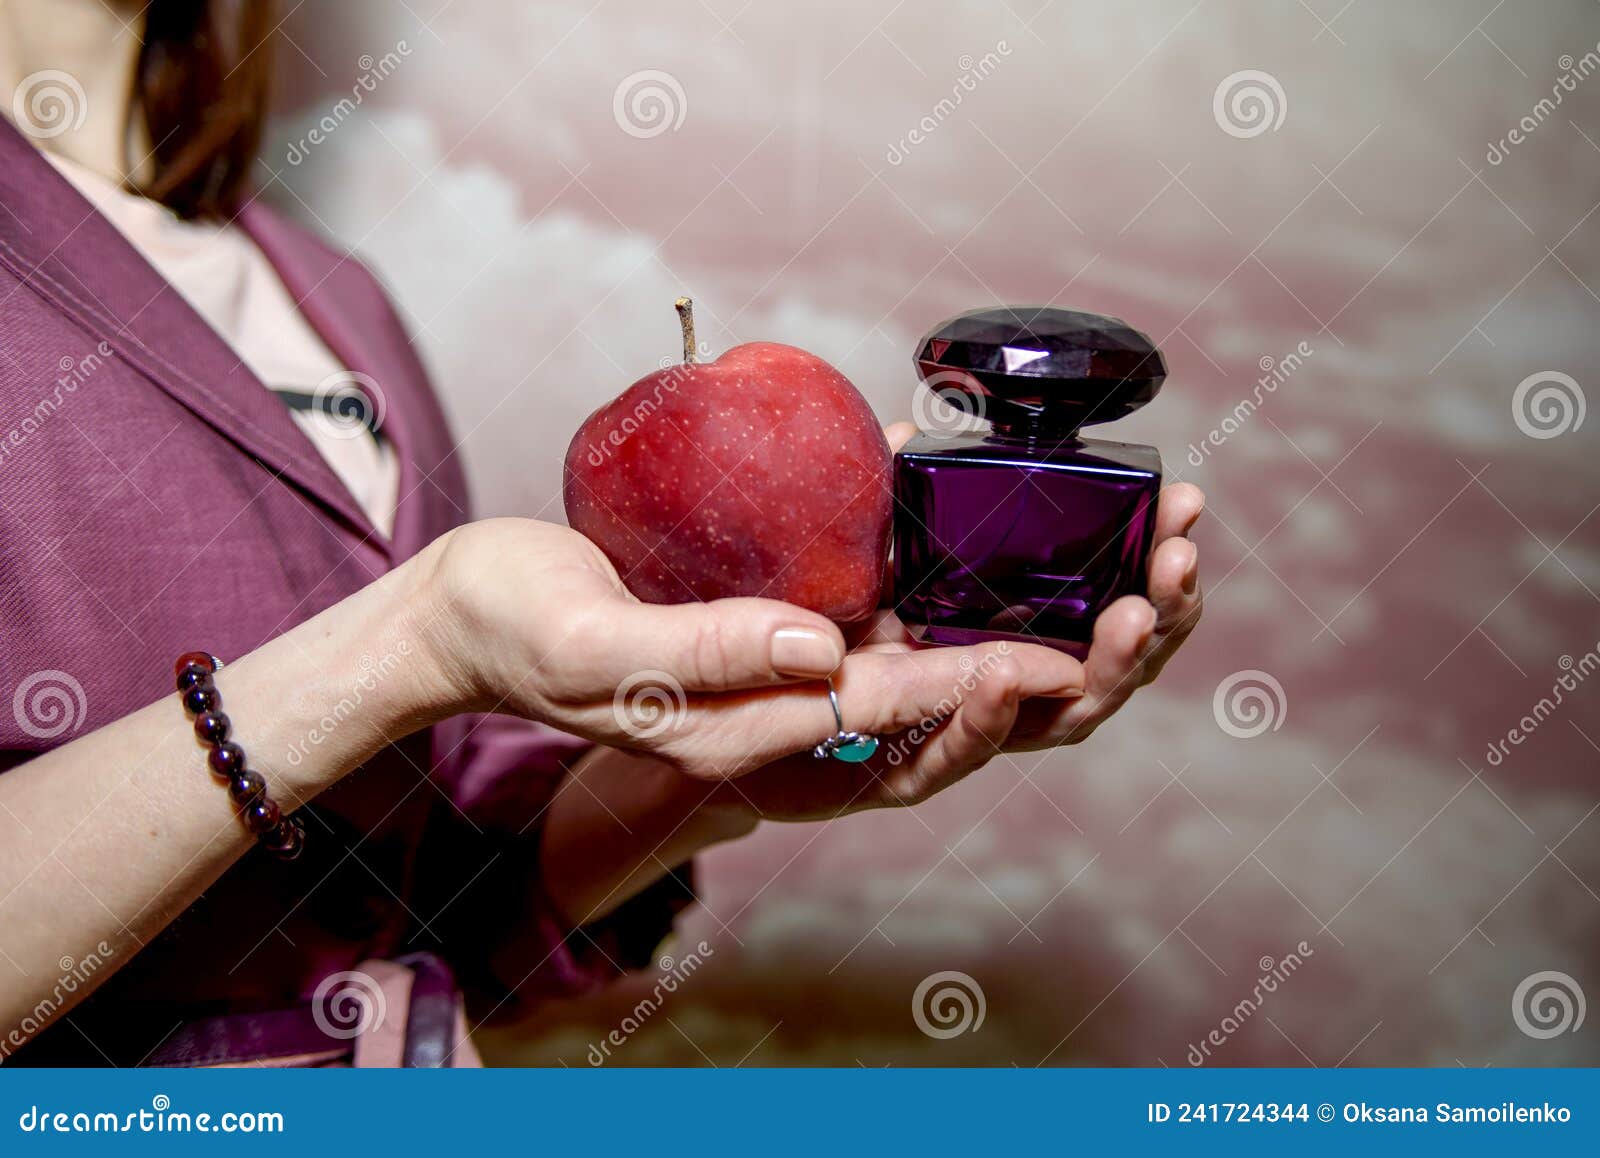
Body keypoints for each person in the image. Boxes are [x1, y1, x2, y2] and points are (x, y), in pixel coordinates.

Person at [0, 0, 1203, 1066]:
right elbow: (409, 666)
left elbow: (435, 910)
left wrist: (706, 777)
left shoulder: (328, 294)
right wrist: (414, 643)